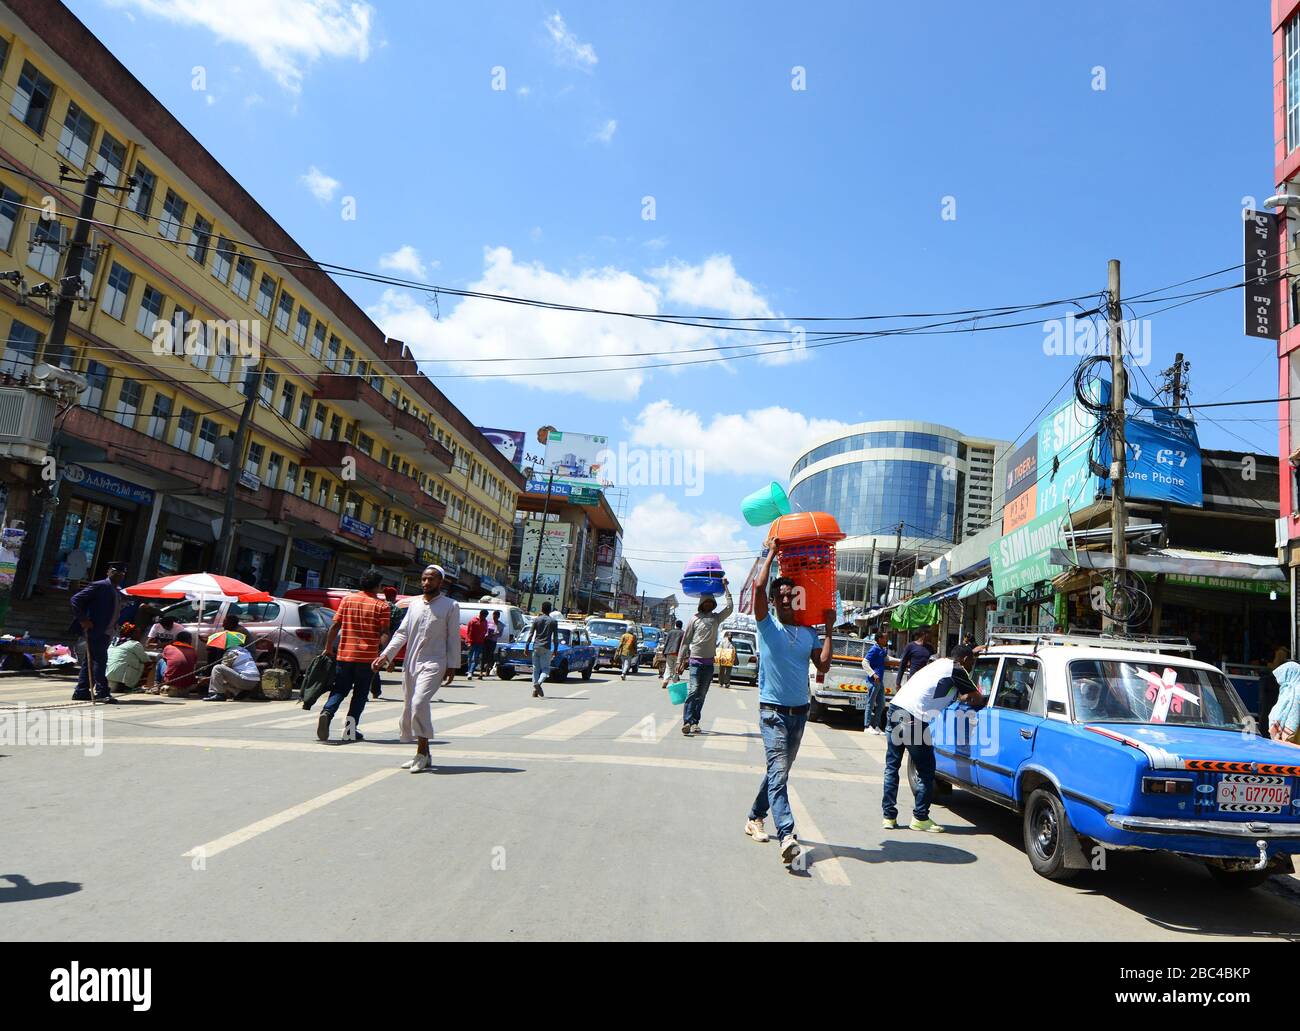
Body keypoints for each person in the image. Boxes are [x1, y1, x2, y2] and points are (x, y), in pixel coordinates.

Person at [744, 543, 833, 866]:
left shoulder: (808, 632)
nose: (784, 597)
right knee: (779, 774)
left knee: (777, 773)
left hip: (800, 713)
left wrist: (829, 629)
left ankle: (755, 816)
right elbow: (757, 587)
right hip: (772, 713)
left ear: (797, 598)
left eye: (789, 594)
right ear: (772, 600)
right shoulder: (766, 625)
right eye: (778, 594)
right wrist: (771, 553)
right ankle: (787, 835)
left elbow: (822, 666)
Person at [881, 644, 986, 832]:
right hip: (913, 718)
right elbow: (977, 698)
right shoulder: (957, 669)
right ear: (964, 660)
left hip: (896, 709)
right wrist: (973, 695)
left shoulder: (939, 664)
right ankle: (920, 817)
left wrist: (973, 652)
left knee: (892, 767)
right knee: (927, 769)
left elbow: (945, 692)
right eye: (971, 662)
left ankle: (888, 817)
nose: (972, 666)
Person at [374, 565, 460, 773]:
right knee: (410, 706)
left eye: (431, 579)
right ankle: (425, 753)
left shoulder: (451, 605)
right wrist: (386, 655)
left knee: (420, 701)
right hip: (412, 662)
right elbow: (402, 633)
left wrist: (452, 665)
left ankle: (421, 753)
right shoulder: (413, 605)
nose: (426, 583)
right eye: (423, 579)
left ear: (441, 582)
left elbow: (453, 637)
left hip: (435, 661)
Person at [317, 571, 391, 742]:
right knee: (360, 694)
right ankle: (350, 731)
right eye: (381, 586)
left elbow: (335, 625)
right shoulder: (382, 606)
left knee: (340, 689)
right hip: (367, 658)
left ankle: (327, 712)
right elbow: (385, 632)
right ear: (376, 586)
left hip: (345, 655)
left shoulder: (347, 600)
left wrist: (328, 648)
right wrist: (383, 653)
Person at [674, 581, 734, 735]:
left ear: (713, 604)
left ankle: (695, 722)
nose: (708, 605)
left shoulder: (716, 618)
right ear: (701, 604)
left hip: (708, 664)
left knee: (701, 695)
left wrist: (726, 587)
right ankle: (687, 721)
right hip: (695, 662)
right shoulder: (694, 619)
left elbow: (729, 608)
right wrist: (679, 661)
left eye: (710, 602)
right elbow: (686, 641)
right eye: (705, 602)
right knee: (693, 691)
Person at [68, 560, 128, 703]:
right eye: (114, 572)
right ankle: (102, 692)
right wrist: (83, 619)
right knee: (100, 661)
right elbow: (75, 600)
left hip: (107, 631)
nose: (117, 575)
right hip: (95, 630)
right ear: (108, 572)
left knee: (89, 662)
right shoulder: (100, 586)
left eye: (121, 574)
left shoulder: (116, 590)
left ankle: (81, 691)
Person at [204, 634, 261, 700]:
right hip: (255, 682)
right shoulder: (244, 651)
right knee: (222, 682)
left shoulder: (230, 653)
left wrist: (207, 679)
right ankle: (238, 692)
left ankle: (217, 694)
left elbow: (220, 672)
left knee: (217, 668)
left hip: (245, 680)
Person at [525, 602, 559, 698]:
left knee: (536, 669)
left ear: (542, 609)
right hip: (546, 647)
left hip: (535, 646)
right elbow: (555, 637)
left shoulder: (536, 620)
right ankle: (538, 684)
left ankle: (535, 688)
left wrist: (526, 646)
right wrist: (556, 649)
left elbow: (531, 634)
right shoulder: (553, 622)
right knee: (545, 670)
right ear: (550, 610)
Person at [106, 623, 148, 693]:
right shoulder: (135, 644)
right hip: (120, 676)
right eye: (138, 633)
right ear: (132, 634)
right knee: (143, 663)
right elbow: (145, 659)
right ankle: (133, 684)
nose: (140, 635)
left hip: (107, 673)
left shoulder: (113, 642)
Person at [861, 631, 889, 735]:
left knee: (881, 704)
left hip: (880, 681)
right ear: (880, 639)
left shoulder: (882, 649)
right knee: (870, 703)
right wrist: (873, 674)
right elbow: (864, 662)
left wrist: (901, 661)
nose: (886, 640)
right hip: (874, 681)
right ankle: (867, 726)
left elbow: (887, 659)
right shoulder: (874, 649)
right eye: (885, 638)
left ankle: (876, 725)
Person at [1268, 661, 1300, 744]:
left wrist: (1285, 737)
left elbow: (1294, 717)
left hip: (1290, 741)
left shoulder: (1296, 692)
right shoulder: (1289, 689)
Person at [161, 630, 198, 697]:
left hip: (171, 681)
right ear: (189, 640)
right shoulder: (193, 650)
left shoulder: (168, 647)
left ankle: (157, 683)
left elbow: (167, 662)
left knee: (161, 661)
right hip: (188, 683)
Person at [659, 620, 684, 689]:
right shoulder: (683, 633)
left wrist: (664, 651)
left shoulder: (670, 632)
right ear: (681, 625)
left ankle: (665, 680)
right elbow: (684, 645)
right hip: (678, 653)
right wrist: (685, 655)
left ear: (675, 625)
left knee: (668, 667)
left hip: (669, 652)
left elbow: (666, 642)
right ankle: (674, 682)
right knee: (676, 668)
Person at [466, 609, 490, 679]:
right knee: (470, 657)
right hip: (472, 642)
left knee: (475, 658)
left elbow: (485, 631)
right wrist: (468, 642)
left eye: (485, 616)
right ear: (480, 614)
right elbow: (469, 632)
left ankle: (470, 672)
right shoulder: (473, 621)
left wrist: (486, 635)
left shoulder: (485, 622)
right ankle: (469, 671)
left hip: (480, 642)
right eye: (483, 616)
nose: (484, 617)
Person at [483, 610, 504, 680]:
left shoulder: (500, 625)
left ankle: (487, 669)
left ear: (498, 616)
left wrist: (495, 634)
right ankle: (483, 669)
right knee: (484, 655)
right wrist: (486, 634)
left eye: (496, 616)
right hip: (486, 640)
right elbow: (485, 630)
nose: (495, 617)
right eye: (494, 616)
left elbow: (500, 634)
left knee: (490, 655)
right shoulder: (488, 622)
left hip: (493, 641)